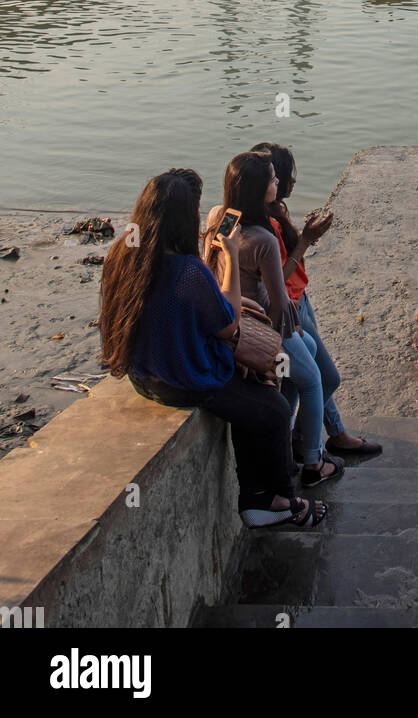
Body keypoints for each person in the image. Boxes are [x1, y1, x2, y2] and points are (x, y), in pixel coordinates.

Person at [99, 168, 326, 529]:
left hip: (142, 373)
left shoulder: (123, 254)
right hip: (180, 379)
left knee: (253, 401)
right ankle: (282, 501)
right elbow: (228, 324)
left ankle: (258, 498)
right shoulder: (187, 270)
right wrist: (231, 256)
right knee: (274, 408)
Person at [204, 151, 344, 488]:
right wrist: (293, 330)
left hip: (237, 318)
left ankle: (293, 445)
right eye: (272, 179)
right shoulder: (264, 240)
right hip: (264, 328)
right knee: (314, 381)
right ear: (258, 189)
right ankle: (313, 462)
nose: (278, 182)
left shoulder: (221, 218)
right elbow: (279, 303)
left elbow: (211, 260)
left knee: (305, 357)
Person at [253, 140, 382, 459]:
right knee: (322, 378)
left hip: (298, 300)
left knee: (305, 377)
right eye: (284, 176)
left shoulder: (277, 212)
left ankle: (330, 434)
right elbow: (275, 280)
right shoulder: (261, 225)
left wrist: (303, 234)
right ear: (273, 180)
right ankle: (305, 449)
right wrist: (306, 240)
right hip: (287, 308)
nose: (293, 181)